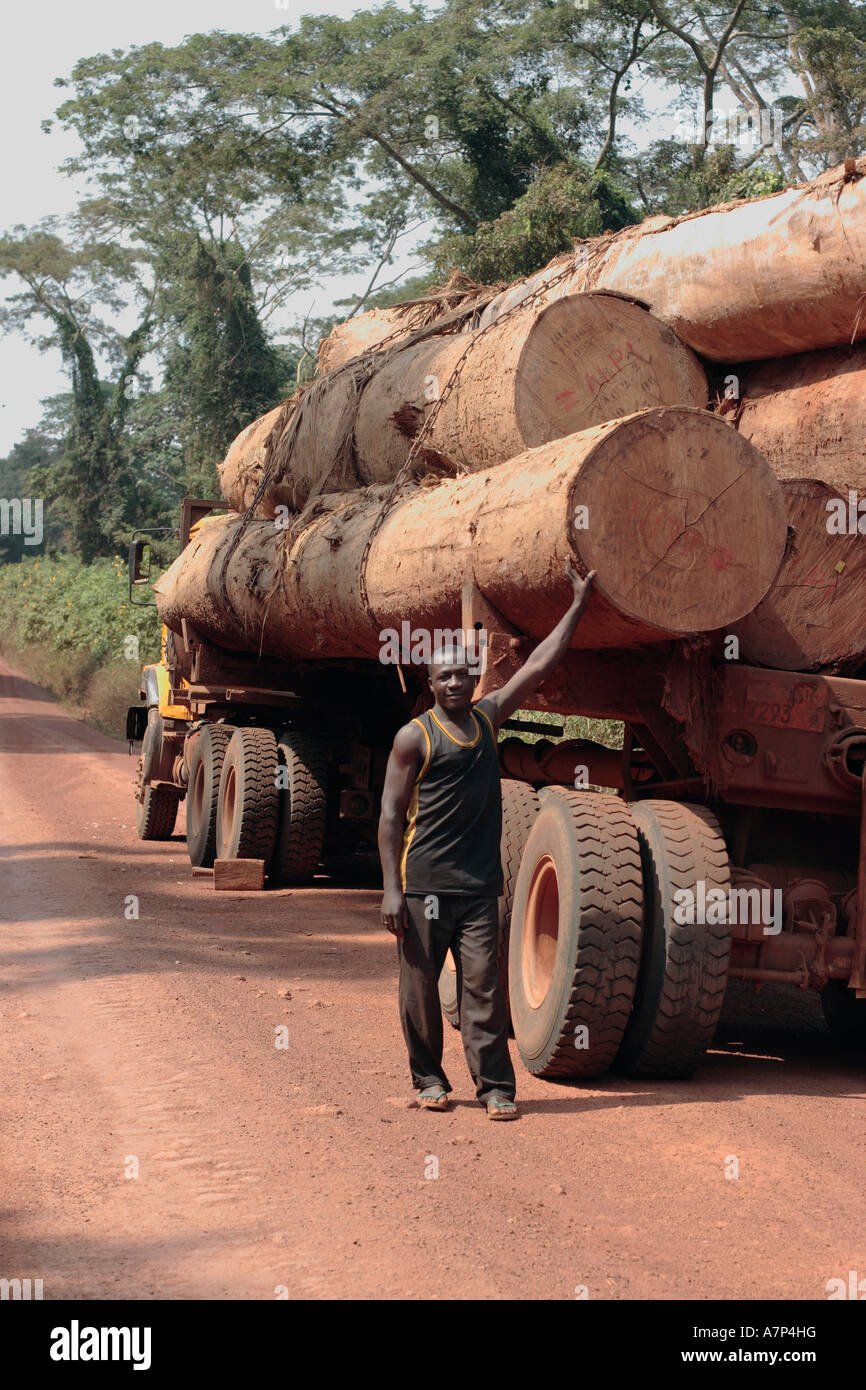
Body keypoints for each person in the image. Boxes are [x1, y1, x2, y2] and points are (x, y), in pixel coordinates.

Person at [377, 562, 596, 1120]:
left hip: (478, 888)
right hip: (422, 886)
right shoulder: (413, 738)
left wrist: (577, 607)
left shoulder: (489, 719)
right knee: (420, 993)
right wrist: (391, 891)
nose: (454, 683)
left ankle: (495, 1087)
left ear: (476, 677)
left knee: (483, 989)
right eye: (444, 676)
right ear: (430, 682)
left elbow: (541, 664)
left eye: (462, 675)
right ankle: (429, 1079)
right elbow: (389, 817)